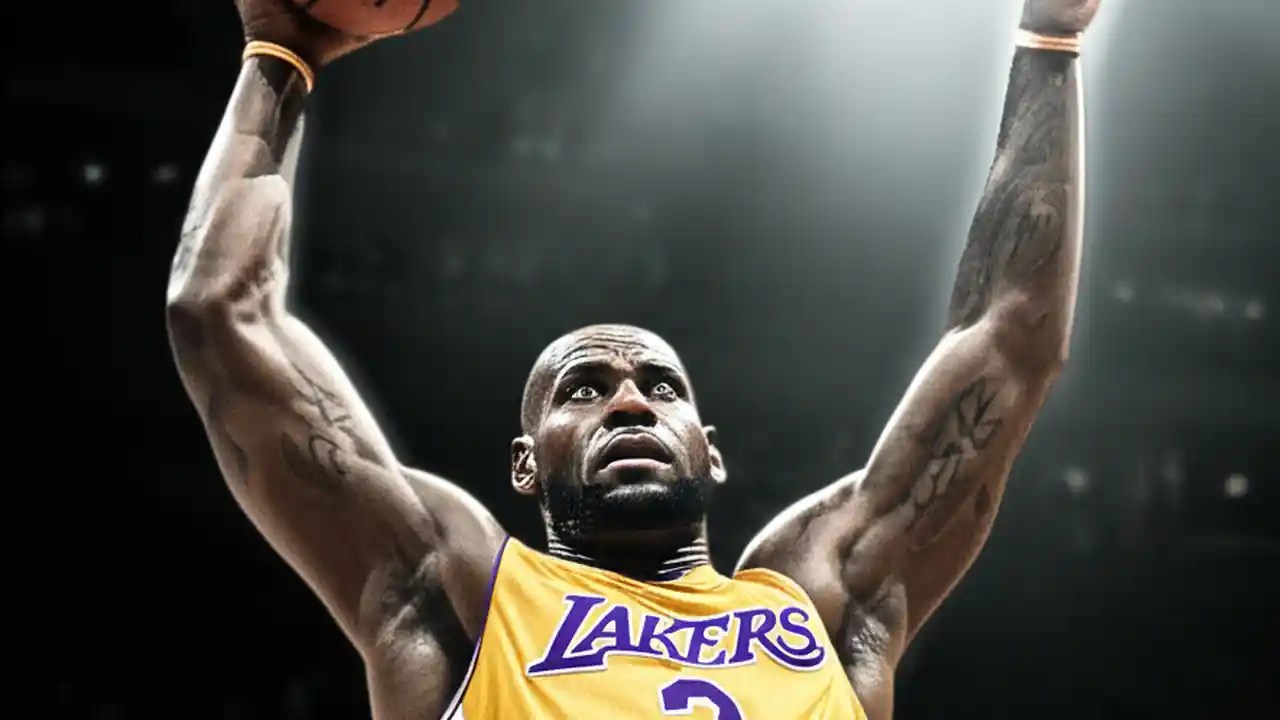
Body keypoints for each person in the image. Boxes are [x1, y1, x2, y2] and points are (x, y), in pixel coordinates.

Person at [165, 1, 1101, 717]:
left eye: (661, 388)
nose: (629, 403)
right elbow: (221, 318)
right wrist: (277, 58)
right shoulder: (461, 592)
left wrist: (1049, 40)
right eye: (583, 389)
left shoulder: (821, 598)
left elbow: (1009, 337)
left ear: (712, 448)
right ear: (524, 464)